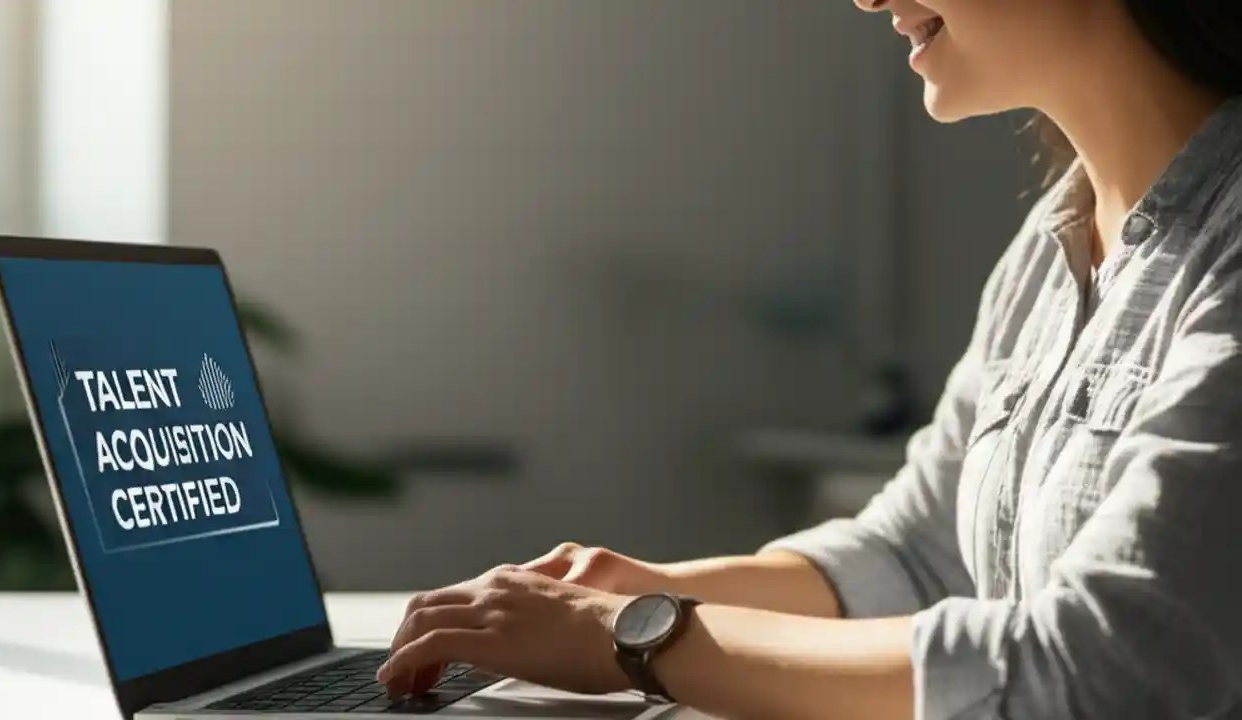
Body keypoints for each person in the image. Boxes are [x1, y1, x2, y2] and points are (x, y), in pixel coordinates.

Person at [377, 1, 1242, 717]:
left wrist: (636, 636)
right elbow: (918, 552)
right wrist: (641, 590)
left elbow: (1110, 666)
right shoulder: (1053, 244)